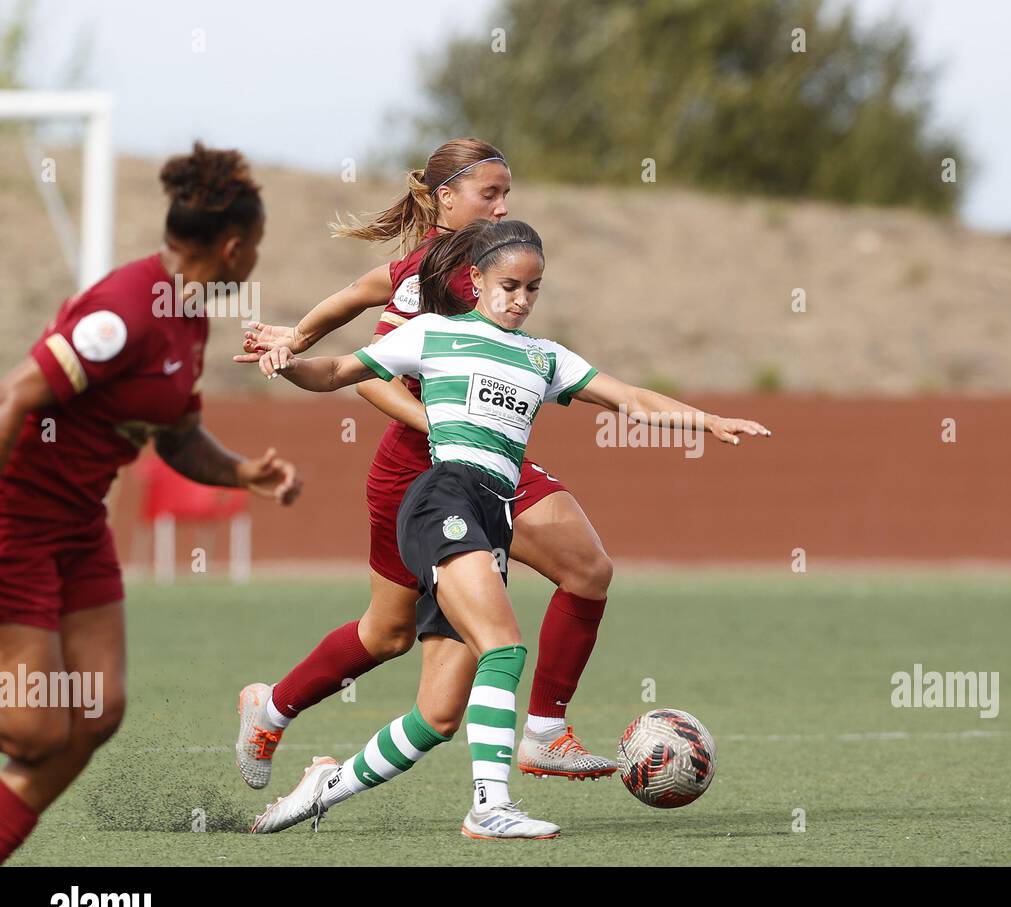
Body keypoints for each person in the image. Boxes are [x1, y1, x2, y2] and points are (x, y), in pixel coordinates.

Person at [238, 218, 770, 838]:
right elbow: (336, 373)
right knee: (505, 647)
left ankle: (326, 787)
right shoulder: (434, 334)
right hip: (443, 499)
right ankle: (491, 805)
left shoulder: (545, 357)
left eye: (533, 289)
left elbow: (631, 399)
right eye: (509, 285)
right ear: (476, 280)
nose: (520, 299)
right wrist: (287, 358)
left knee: (437, 718)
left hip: (493, 514)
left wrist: (709, 421)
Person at [235, 139, 618, 791]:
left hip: (480, 463)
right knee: (388, 636)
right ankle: (269, 710)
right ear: (446, 198)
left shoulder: (465, 259)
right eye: (489, 194)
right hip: (419, 472)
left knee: (587, 569)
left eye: (506, 195)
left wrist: (297, 334)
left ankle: (547, 732)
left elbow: (357, 290)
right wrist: (444, 424)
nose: (502, 207)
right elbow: (369, 381)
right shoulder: (429, 275)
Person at [0, 143, 301, 864]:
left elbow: (176, 434)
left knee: (97, 712)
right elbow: (17, 395)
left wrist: (241, 474)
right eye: (255, 247)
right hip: (17, 526)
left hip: (79, 531)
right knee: (36, 731)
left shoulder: (187, 316)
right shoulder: (124, 310)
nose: (256, 260)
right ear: (232, 249)